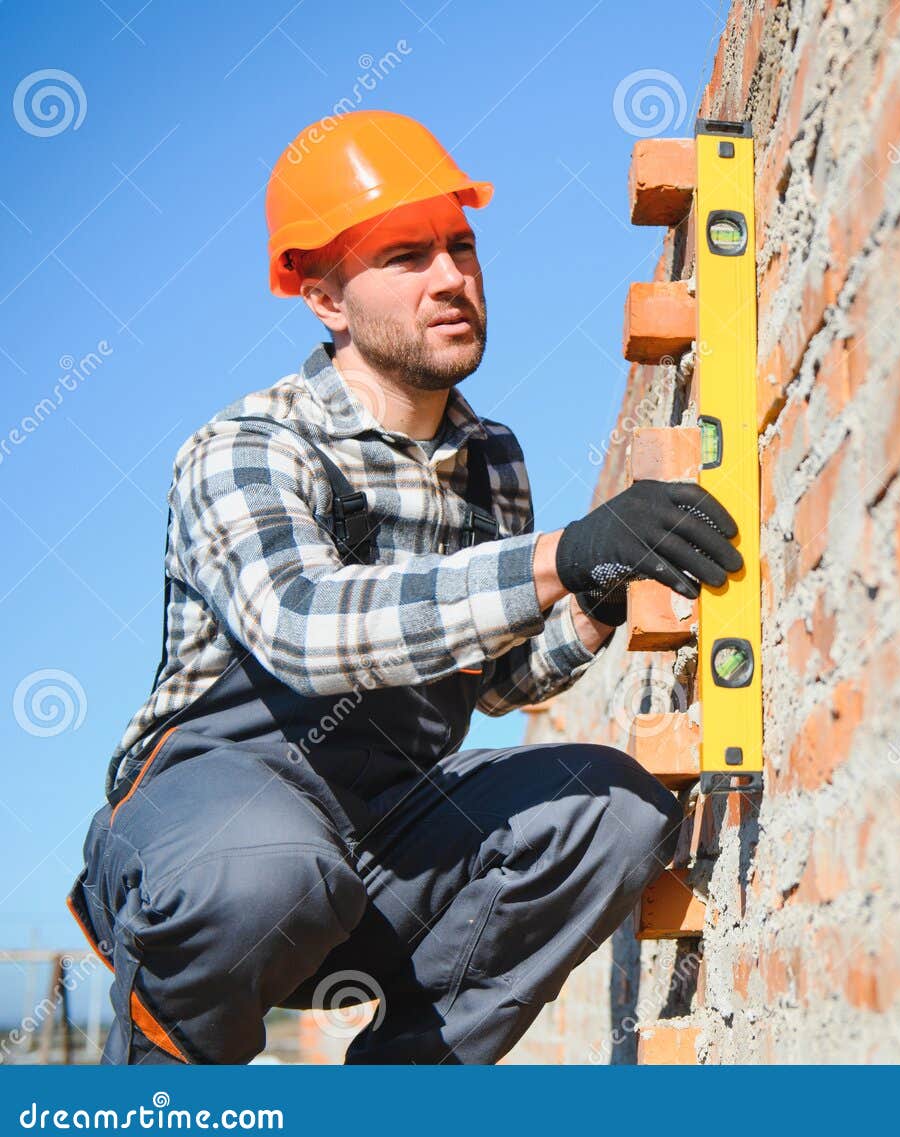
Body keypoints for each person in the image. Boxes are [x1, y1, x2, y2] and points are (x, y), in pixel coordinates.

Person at [65, 110, 740, 1064]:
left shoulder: (491, 459)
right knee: (270, 874)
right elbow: (304, 627)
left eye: (460, 247)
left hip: (382, 839)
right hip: (210, 840)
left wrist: (591, 603)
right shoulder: (249, 448)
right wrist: (557, 555)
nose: (452, 278)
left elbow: (493, 680)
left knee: (612, 810)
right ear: (325, 298)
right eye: (407, 256)